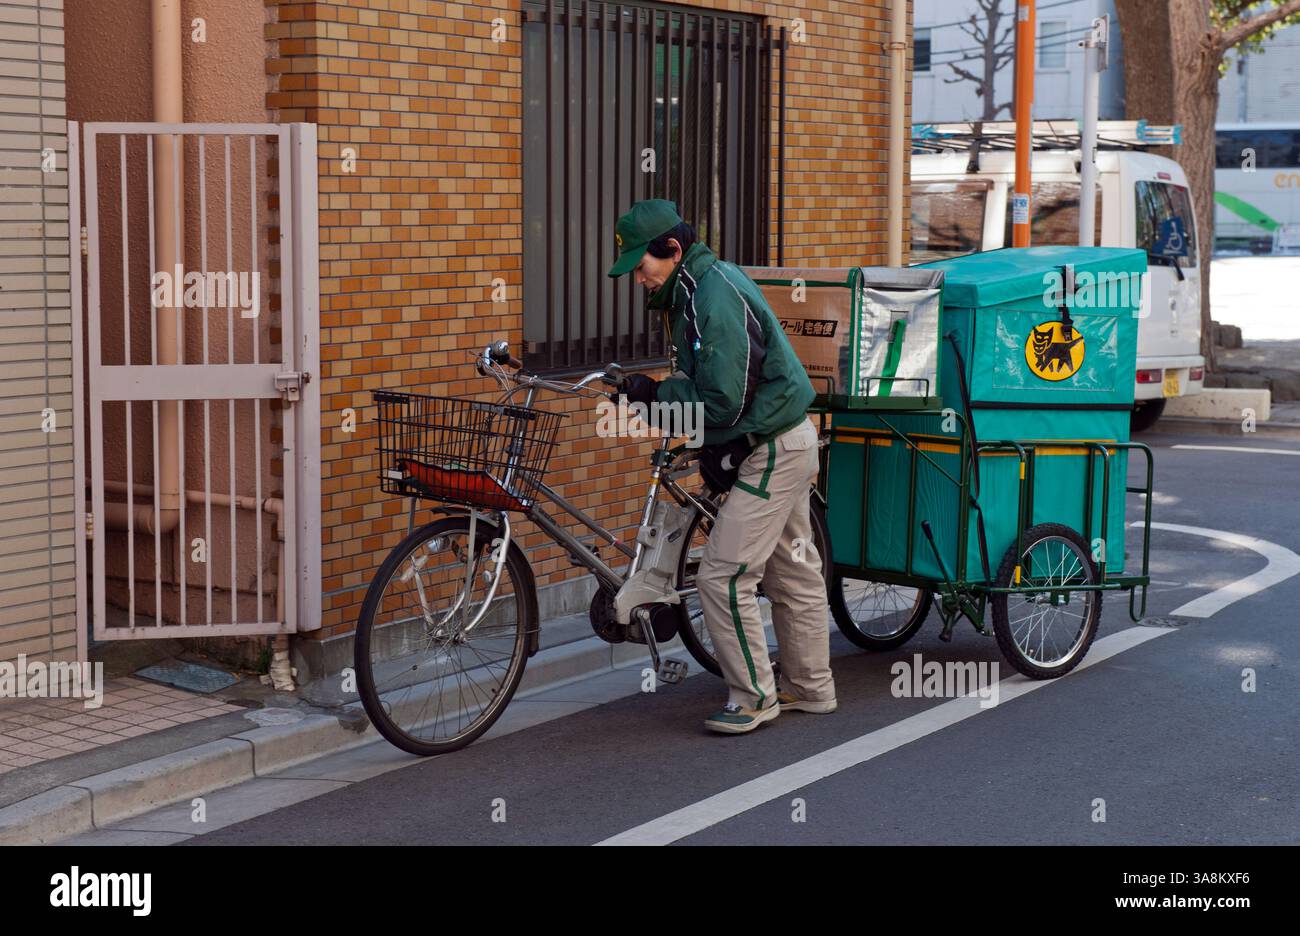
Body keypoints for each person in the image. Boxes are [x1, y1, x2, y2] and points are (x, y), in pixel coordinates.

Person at [606, 199, 836, 734]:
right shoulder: (695, 290)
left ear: (673, 249)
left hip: (771, 449)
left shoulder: (712, 297)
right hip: (785, 438)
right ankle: (811, 688)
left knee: (724, 576)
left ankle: (755, 697)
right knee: (793, 573)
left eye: (643, 266)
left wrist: (655, 395)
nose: (639, 278)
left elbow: (724, 401)